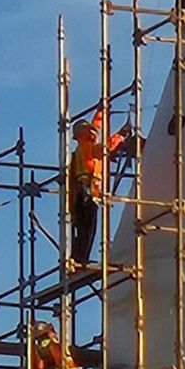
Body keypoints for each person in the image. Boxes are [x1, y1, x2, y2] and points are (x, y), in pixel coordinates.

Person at [69, 110, 131, 265]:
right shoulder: (86, 147)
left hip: (88, 192)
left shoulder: (87, 146)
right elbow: (105, 147)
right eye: (88, 130)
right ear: (79, 134)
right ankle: (79, 258)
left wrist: (102, 111)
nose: (93, 132)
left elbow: (98, 129)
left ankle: (78, 257)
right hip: (85, 191)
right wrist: (120, 136)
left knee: (84, 228)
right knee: (86, 227)